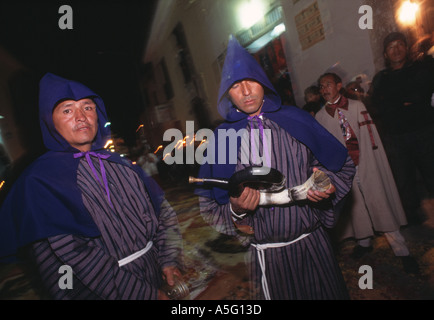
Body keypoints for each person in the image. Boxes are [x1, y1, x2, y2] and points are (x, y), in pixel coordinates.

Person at [195, 36, 356, 300]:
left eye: (251, 82)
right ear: (227, 94)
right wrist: (236, 211)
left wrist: (325, 186)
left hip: (314, 244)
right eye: (236, 86)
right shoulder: (223, 140)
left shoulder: (297, 119)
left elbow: (343, 166)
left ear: (264, 83)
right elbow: (210, 207)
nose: (246, 91)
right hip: (269, 256)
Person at [0, 73, 184, 300]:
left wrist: (168, 259)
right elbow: (70, 257)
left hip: (154, 275)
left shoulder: (123, 165)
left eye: (88, 107)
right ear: (49, 120)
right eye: (67, 110)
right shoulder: (40, 182)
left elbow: (163, 213)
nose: (81, 117)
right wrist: (142, 294)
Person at [315, 72, 419, 274]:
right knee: (354, 207)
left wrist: (367, 160)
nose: (324, 89)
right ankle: (364, 242)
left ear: (339, 85)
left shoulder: (356, 107)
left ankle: (402, 251)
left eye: (328, 84)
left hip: (364, 163)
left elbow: (370, 139)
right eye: (321, 86)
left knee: (379, 202)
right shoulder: (320, 117)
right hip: (343, 169)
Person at [369, 32, 434, 225]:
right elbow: (377, 105)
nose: (396, 50)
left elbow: (422, 94)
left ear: (406, 48)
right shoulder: (381, 78)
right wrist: (404, 101)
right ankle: (413, 218)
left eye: (400, 45)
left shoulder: (421, 70)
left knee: (432, 172)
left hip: (424, 132)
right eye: (391, 47)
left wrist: (402, 101)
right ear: (386, 54)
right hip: (396, 138)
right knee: (404, 179)